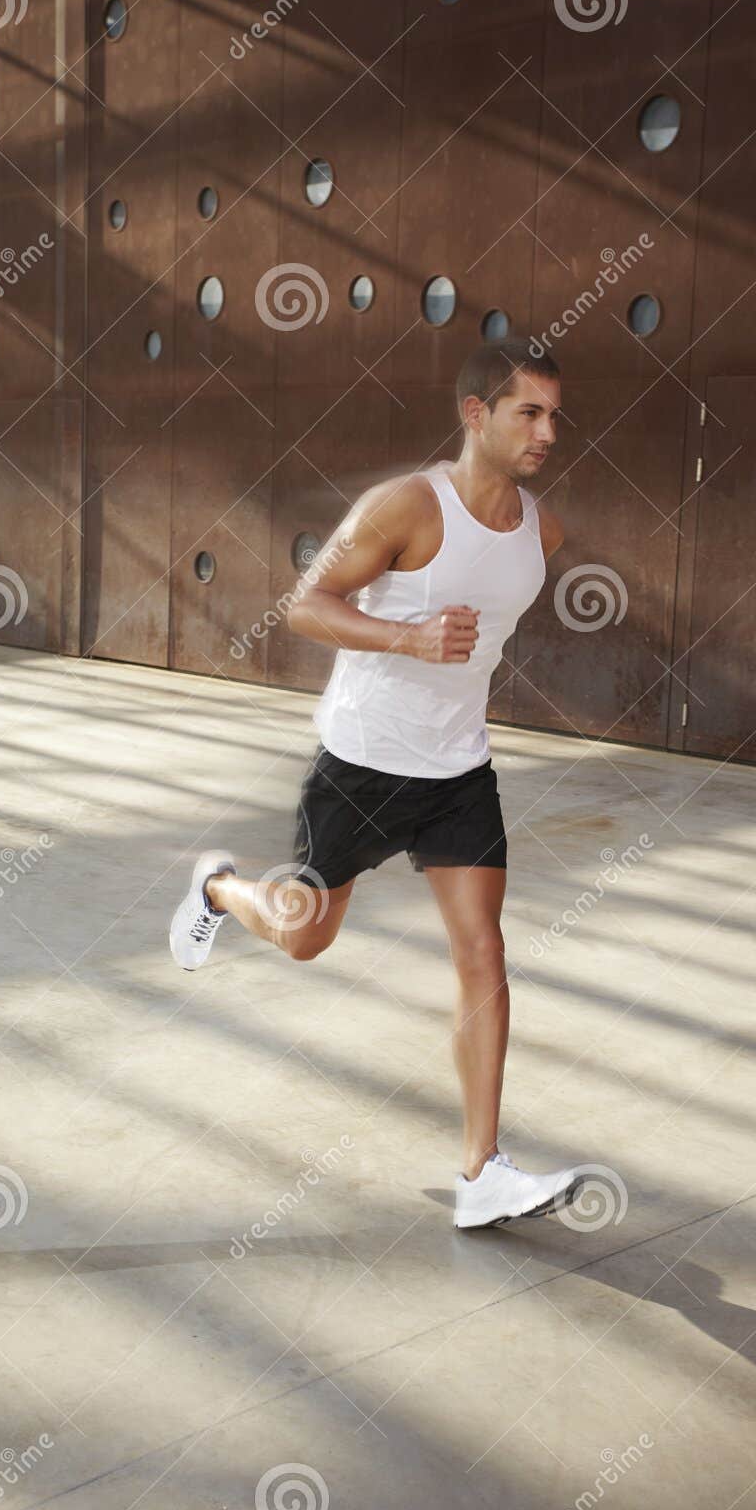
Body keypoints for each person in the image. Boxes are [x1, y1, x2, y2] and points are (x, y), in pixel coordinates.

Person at [169, 339, 583, 1228]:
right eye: (529, 412)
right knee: (304, 937)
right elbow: (306, 605)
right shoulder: (404, 506)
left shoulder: (541, 532)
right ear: (476, 414)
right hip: (359, 767)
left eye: (554, 414)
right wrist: (408, 638)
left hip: (458, 772)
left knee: (484, 952)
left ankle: (483, 1171)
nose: (548, 431)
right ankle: (216, 884)